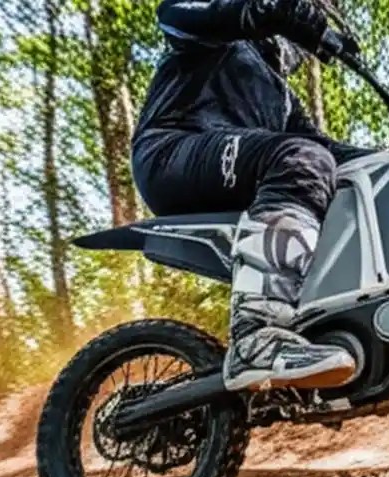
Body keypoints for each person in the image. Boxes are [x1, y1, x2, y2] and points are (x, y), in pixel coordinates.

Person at [132, 0, 368, 391]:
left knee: (323, 167)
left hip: (235, 168)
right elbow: (176, 14)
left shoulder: (282, 96)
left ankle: (315, 327)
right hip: (170, 151)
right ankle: (256, 336)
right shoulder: (218, 35)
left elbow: (330, 153)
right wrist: (281, 10)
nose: (296, 51)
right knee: (300, 158)